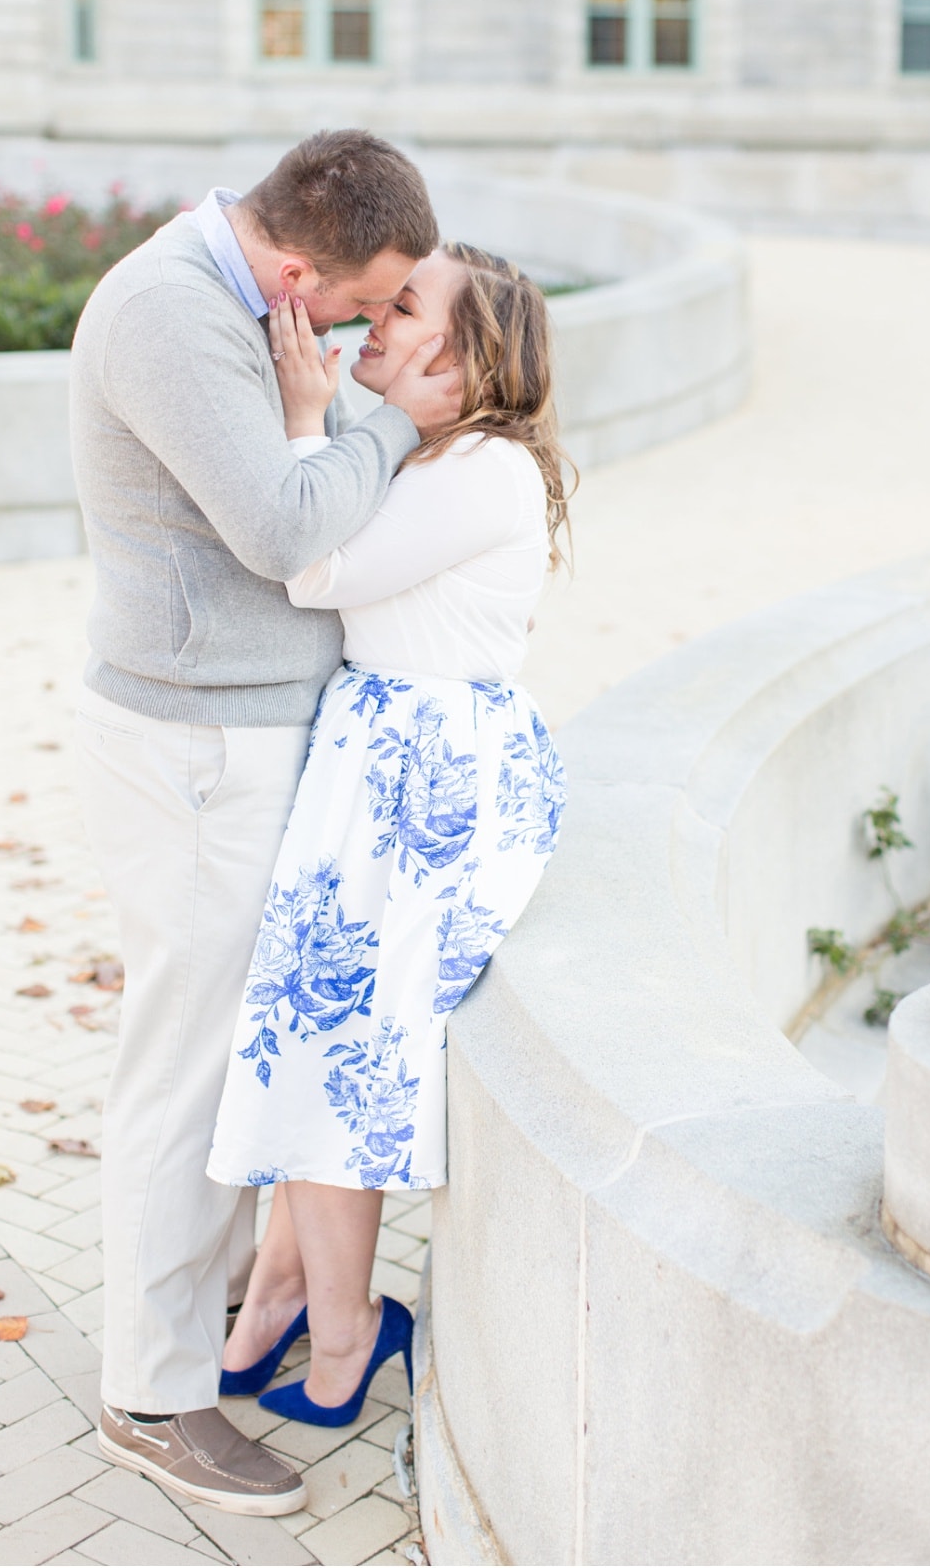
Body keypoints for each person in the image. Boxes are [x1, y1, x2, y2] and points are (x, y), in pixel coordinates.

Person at [70, 130, 463, 1515]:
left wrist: (337, 421)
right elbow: (287, 528)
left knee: (222, 1064)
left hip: (237, 737)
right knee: (184, 1076)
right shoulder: (172, 314)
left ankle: (212, 1315)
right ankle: (151, 1395)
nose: (364, 332)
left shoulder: (239, 300)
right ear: (300, 270)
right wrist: (395, 423)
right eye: (363, 304)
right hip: (196, 747)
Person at [206, 242, 570, 1425]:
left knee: (335, 1057)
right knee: (307, 1043)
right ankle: (278, 1300)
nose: (372, 317)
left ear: (459, 356)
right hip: (380, 764)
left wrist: (305, 418)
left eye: (403, 308)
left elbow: (311, 568)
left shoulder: (482, 470)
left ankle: (348, 1329)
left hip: (422, 787)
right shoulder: (433, 453)